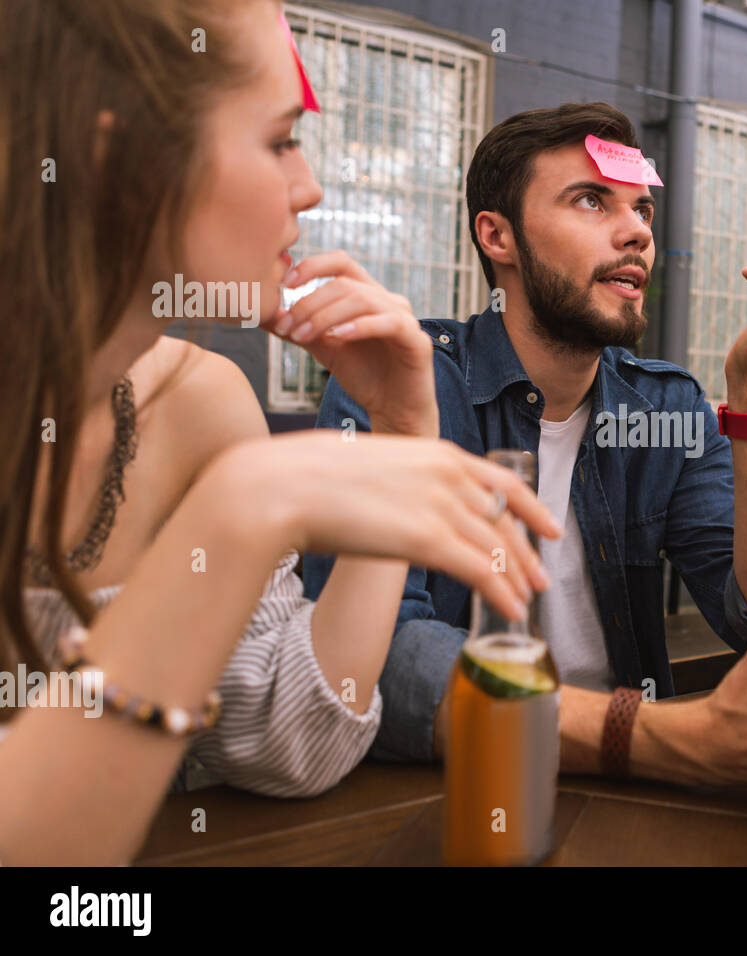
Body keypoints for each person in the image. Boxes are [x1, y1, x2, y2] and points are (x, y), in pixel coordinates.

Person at [1, 0, 559, 864]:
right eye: (279, 140)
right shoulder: (232, 464)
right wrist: (237, 510)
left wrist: (402, 431)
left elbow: (293, 742)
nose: (311, 187)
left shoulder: (201, 399)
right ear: (121, 168)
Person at [306, 102, 747, 782]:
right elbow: (375, 660)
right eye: (593, 201)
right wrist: (662, 732)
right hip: (457, 781)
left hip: (626, 788)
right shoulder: (402, 381)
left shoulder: (664, 406)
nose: (635, 231)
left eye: (642, 210)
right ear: (497, 237)